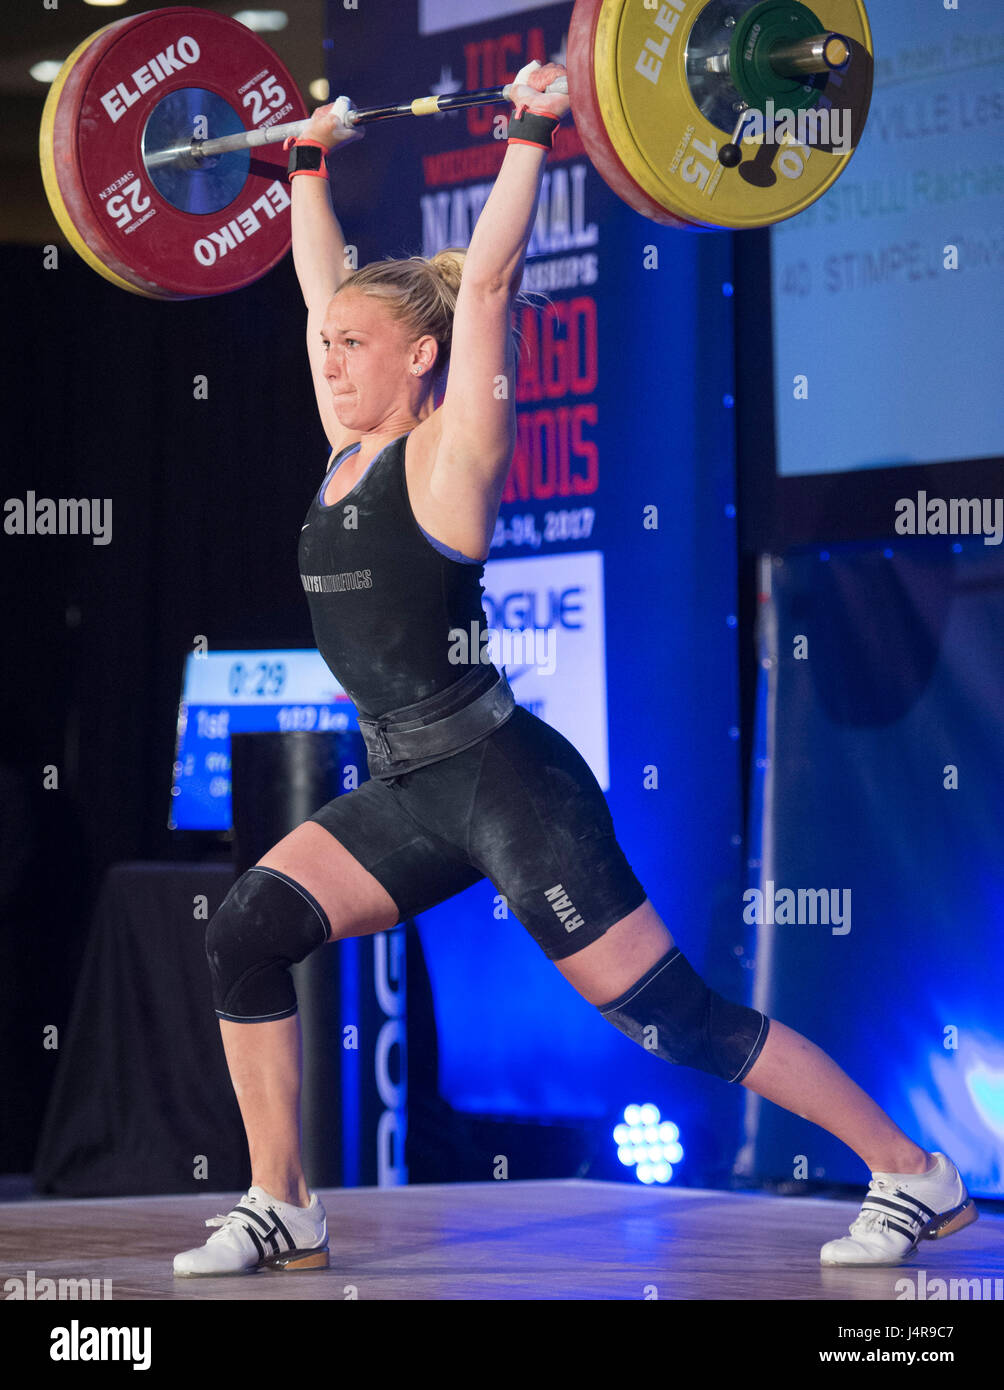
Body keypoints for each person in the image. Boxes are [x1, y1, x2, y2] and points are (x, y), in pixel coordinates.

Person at [174, 62, 976, 1278]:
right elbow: (312, 281)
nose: (329, 359)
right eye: (326, 343)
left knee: (674, 1018)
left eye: (353, 345)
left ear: (423, 357)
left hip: (504, 783)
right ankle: (281, 1200)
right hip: (402, 790)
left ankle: (912, 1172)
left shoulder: (450, 456)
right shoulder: (344, 443)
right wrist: (304, 159)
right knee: (243, 932)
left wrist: (534, 130)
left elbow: (489, 276)